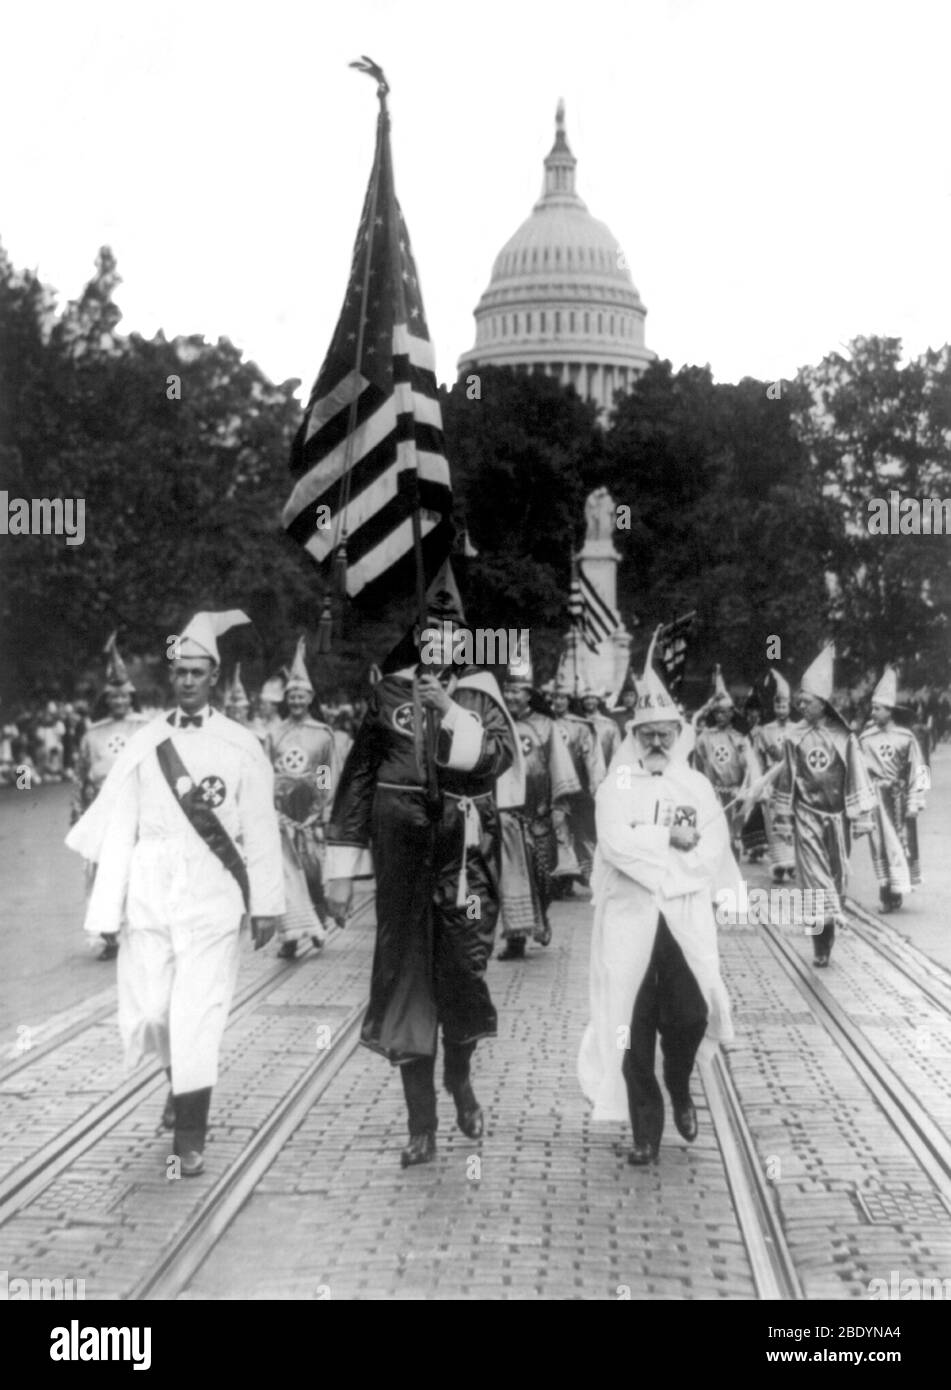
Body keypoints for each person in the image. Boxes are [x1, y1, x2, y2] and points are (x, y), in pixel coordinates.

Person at [65, 610, 284, 1177]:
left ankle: (191, 1132)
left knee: (197, 1012)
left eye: (196, 672)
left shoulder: (241, 743)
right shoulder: (146, 741)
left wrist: (266, 904)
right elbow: (120, 828)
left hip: (212, 892)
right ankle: (177, 1080)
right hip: (150, 891)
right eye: (178, 671)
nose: (186, 681)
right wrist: (105, 910)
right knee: (152, 1013)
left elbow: (259, 827)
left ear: (213, 676)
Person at [324, 577, 517, 1168]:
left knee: (461, 976)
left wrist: (450, 712)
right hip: (402, 857)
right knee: (406, 980)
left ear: (466, 643)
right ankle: (421, 1125)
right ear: (419, 637)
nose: (441, 643)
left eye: (453, 635)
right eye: (431, 633)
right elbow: (359, 776)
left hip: (463, 862)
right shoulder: (388, 696)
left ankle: (459, 1079)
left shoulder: (482, 696)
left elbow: (496, 759)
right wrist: (340, 864)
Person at [578, 635, 739, 1166]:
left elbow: (713, 848)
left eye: (663, 734)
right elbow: (615, 843)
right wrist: (665, 839)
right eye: (645, 734)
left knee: (691, 1015)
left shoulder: (695, 786)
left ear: (677, 733)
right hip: (629, 920)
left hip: (682, 917)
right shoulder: (615, 786)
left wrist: (680, 871)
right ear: (634, 736)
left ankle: (680, 1083)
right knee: (631, 1026)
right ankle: (646, 1131)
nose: (655, 743)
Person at [772, 645, 875, 967]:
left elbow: (857, 775)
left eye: (807, 701)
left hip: (838, 818)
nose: (800, 706)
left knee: (836, 880)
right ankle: (819, 945)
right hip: (807, 817)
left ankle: (827, 939)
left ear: (824, 703)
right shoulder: (793, 736)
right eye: (799, 700)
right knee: (815, 880)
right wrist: (785, 820)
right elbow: (787, 778)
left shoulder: (844, 736)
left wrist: (860, 818)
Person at [71, 635, 149, 960]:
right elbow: (80, 774)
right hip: (102, 812)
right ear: (108, 699)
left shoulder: (145, 728)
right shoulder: (92, 734)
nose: (119, 702)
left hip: (137, 811)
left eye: (124, 697)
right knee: (103, 872)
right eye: (113, 698)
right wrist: (78, 811)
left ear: (131, 698)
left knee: (135, 871)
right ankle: (109, 931)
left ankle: (135, 926)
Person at [496, 660, 581, 959]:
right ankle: (514, 938)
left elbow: (559, 767)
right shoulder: (495, 721)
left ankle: (540, 918)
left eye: (517, 691)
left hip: (538, 816)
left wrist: (559, 807)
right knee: (508, 881)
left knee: (543, 880)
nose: (511, 696)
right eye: (507, 690)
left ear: (529, 694)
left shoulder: (546, 726)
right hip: (505, 816)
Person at [265, 637, 340, 960]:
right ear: (287, 698)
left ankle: (318, 923)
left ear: (310, 698)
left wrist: (320, 809)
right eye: (291, 695)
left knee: (310, 875)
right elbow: (267, 771)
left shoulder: (322, 734)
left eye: (301, 696)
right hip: (281, 816)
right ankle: (290, 937)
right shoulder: (274, 733)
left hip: (309, 816)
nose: (296, 700)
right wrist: (270, 808)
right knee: (284, 876)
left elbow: (325, 772)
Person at [858, 666, 929, 911]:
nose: (873, 712)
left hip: (898, 798)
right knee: (879, 845)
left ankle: (897, 890)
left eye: (878, 708)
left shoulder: (905, 737)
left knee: (900, 844)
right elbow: (858, 773)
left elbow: (920, 769)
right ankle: (886, 890)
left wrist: (916, 802)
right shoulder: (865, 739)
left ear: (890, 711)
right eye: (873, 708)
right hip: (875, 798)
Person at [692, 667, 761, 861]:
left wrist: (745, 788)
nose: (721, 716)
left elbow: (750, 766)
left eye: (725, 713)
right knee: (713, 833)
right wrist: (703, 789)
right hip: (713, 793)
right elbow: (698, 765)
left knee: (733, 835)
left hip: (734, 793)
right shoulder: (704, 738)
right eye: (718, 713)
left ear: (732, 714)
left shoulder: (739, 738)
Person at [548, 680, 605, 894]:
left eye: (562, 698)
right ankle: (561, 881)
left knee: (582, 833)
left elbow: (590, 757)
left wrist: (594, 784)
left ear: (569, 701)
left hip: (577, 785)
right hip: (552, 785)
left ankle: (593, 878)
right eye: (555, 698)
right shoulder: (545, 722)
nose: (559, 702)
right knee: (558, 832)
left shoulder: (580, 726)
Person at [751, 671, 805, 883]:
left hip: (793, 783)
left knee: (792, 821)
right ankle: (778, 865)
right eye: (777, 706)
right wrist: (761, 786)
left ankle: (792, 862)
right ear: (773, 708)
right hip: (773, 782)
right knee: (773, 823)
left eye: (784, 706)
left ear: (789, 706)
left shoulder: (798, 729)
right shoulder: (765, 731)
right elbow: (758, 760)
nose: (781, 710)